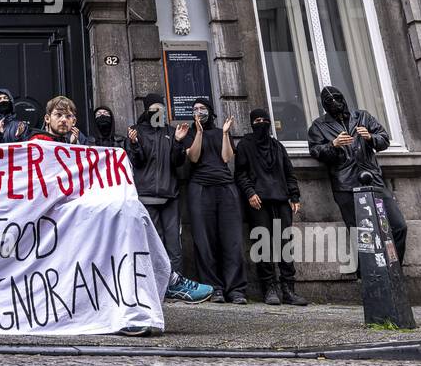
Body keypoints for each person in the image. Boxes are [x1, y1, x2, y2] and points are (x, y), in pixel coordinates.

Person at [127, 94, 214, 304]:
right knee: (152, 244)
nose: (158, 112)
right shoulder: (137, 131)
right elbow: (136, 162)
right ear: (147, 110)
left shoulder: (170, 131)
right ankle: (154, 287)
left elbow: (178, 162)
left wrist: (177, 141)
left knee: (174, 244)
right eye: (154, 108)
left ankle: (175, 287)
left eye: (161, 108)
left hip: (170, 195)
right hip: (146, 196)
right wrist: (135, 143)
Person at [308, 85, 406, 262]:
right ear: (324, 105)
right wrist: (333, 145)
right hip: (345, 184)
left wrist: (370, 137)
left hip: (373, 180)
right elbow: (315, 151)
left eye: (337, 98)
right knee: (361, 235)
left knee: (398, 226)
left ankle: (394, 266)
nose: (335, 103)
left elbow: (384, 139)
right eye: (329, 101)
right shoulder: (319, 126)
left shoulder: (362, 116)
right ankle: (367, 275)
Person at [235, 106, 308, 306]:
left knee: (285, 244)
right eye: (256, 121)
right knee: (263, 246)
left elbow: (289, 173)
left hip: (281, 201)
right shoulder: (245, 145)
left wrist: (294, 196)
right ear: (251, 123)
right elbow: (240, 173)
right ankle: (269, 288)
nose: (261, 124)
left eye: (263, 121)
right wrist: (250, 192)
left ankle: (288, 289)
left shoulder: (277, 147)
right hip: (258, 203)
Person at [184, 96, 245, 303]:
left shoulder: (221, 132)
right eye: (195, 109)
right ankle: (214, 288)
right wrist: (199, 132)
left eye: (202, 108)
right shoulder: (189, 133)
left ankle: (235, 289)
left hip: (225, 187)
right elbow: (193, 157)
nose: (199, 111)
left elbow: (227, 158)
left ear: (210, 110)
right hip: (200, 187)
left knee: (232, 240)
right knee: (204, 240)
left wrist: (226, 134)